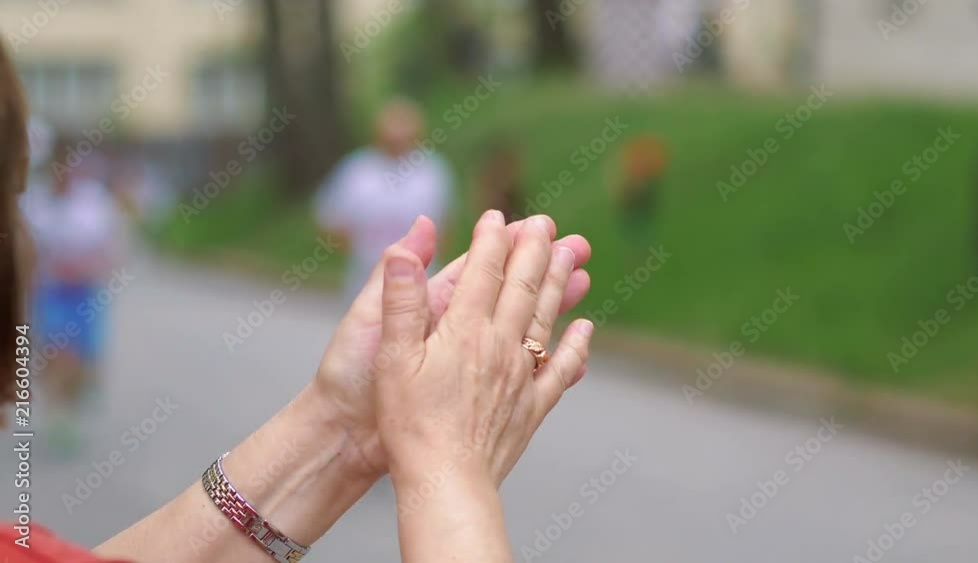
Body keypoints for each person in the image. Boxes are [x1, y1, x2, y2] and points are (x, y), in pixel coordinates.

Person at [0, 38, 595, 563]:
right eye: (14, 197)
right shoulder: (358, 174)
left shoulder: (432, 172)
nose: (29, 236)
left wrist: (339, 426)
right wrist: (451, 468)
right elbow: (330, 224)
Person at [19, 140, 128, 456]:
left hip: (86, 294)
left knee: (83, 361)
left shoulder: (93, 203)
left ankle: (77, 397)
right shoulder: (37, 202)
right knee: (58, 354)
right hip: (51, 292)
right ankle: (59, 416)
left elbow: (113, 250)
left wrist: (91, 266)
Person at [314, 97, 454, 298]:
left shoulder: (433, 171)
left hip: (421, 281)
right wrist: (360, 251)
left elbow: (447, 223)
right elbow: (330, 218)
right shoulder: (356, 169)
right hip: (364, 281)